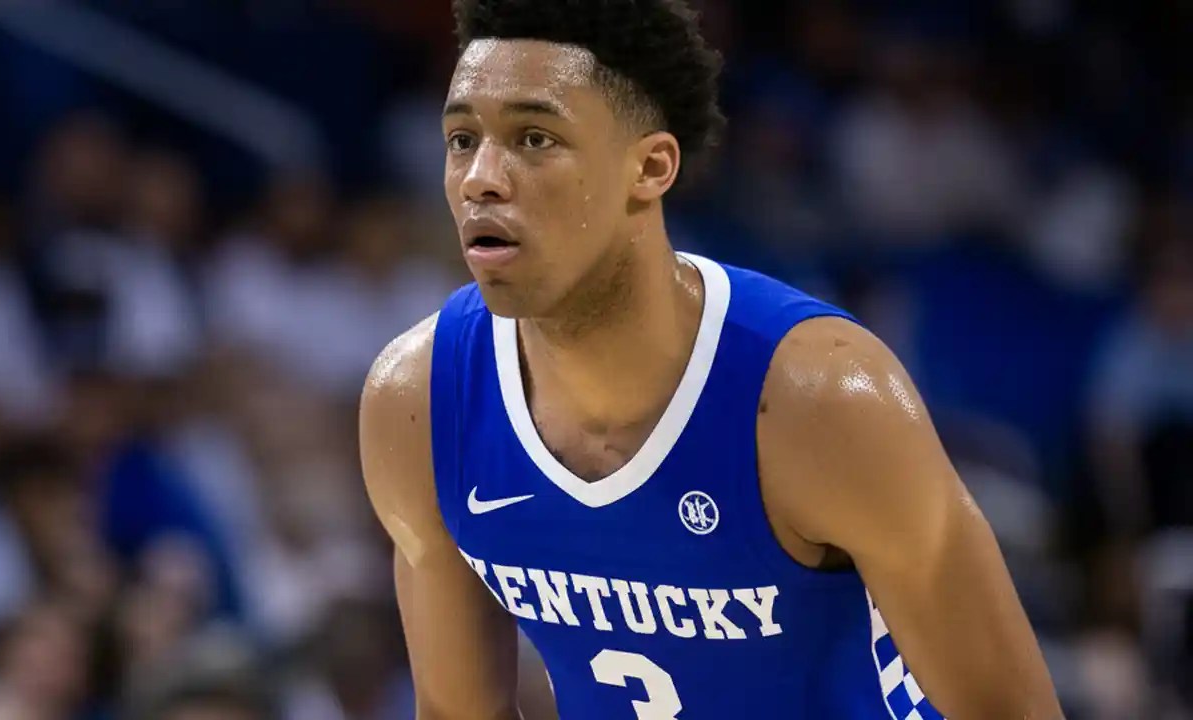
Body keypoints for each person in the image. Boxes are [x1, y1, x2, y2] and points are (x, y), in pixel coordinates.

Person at [359, 0, 1063, 717]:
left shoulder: (820, 398)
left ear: (651, 167)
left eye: (534, 138)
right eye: (460, 139)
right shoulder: (417, 401)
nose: (481, 177)